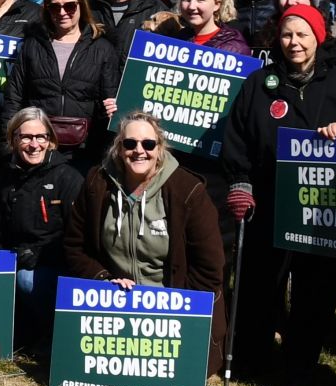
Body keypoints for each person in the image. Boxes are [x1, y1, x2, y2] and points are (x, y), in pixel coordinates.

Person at [221, 4, 336, 382]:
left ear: (318, 38)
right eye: (288, 34)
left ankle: (300, 361)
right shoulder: (260, 82)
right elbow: (237, 135)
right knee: (260, 281)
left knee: (317, 287)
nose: (294, 43)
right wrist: (241, 181)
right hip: (271, 198)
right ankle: (252, 355)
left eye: (303, 35)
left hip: (323, 207)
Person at [63, 111, 229, 372]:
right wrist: (104, 279)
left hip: (172, 309)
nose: (139, 151)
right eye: (130, 144)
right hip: (115, 305)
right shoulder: (97, 183)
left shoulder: (188, 190)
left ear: (160, 148)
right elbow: (74, 247)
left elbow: (210, 268)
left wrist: (170, 305)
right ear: (119, 148)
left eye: (148, 144)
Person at [0, 0, 122, 167]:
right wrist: (8, 147)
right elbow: (14, 97)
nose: (62, 12)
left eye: (70, 6)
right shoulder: (33, 45)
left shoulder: (102, 49)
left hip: (85, 152)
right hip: (37, 146)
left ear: (82, 6)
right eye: (55, 7)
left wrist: (110, 112)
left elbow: (110, 104)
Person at [0, 107, 80, 354]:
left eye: (40, 137)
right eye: (26, 137)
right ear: (13, 140)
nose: (34, 145)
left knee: (26, 280)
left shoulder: (67, 178)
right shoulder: (2, 179)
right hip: (15, 258)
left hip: (53, 264)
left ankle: (52, 335)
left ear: (50, 140)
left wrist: (39, 255)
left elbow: (76, 236)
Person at [172, 0, 248, 55]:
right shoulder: (176, 41)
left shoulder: (233, 47)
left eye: (200, 0)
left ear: (217, 4)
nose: (191, 6)